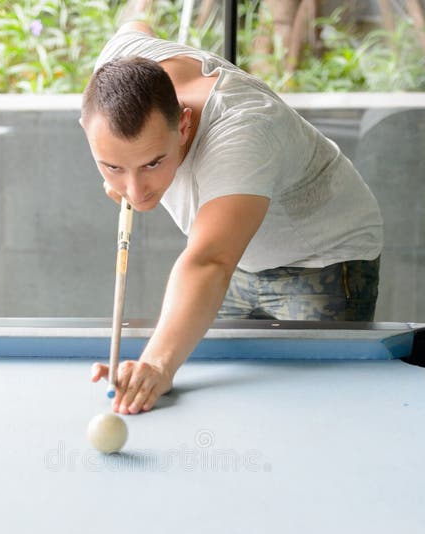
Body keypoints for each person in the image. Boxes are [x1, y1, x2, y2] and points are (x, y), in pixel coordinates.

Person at [80, 20, 383, 415]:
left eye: (153, 162)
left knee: (317, 409)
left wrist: (155, 364)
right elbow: (135, 25)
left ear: (184, 124)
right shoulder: (116, 70)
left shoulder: (242, 131)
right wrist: (124, 168)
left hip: (323, 258)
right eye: (114, 166)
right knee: (222, 402)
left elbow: (210, 261)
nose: (135, 193)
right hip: (236, 254)